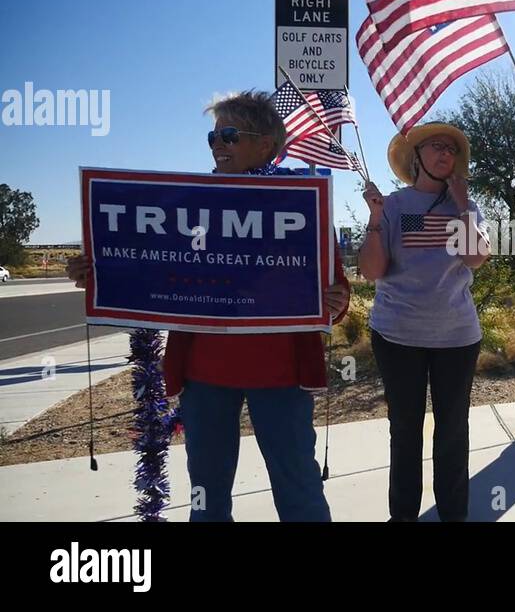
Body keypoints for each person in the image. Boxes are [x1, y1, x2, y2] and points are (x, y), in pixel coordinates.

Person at [68, 90, 351, 522]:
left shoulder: (300, 202)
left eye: (231, 135)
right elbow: (145, 263)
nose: (219, 144)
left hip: (282, 376)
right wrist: (100, 270)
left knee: (298, 488)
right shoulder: (187, 206)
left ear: (266, 144)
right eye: (214, 137)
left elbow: (335, 288)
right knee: (206, 492)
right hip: (204, 376)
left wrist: (336, 300)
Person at [357, 122, 491, 522]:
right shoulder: (395, 205)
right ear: (416, 157)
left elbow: (474, 258)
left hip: (457, 336)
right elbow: (371, 270)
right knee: (405, 430)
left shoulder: (467, 206)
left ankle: (453, 515)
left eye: (451, 148)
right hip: (397, 335)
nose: (445, 152)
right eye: (436, 146)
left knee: (452, 432)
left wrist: (464, 203)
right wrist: (376, 220)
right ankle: (403, 516)